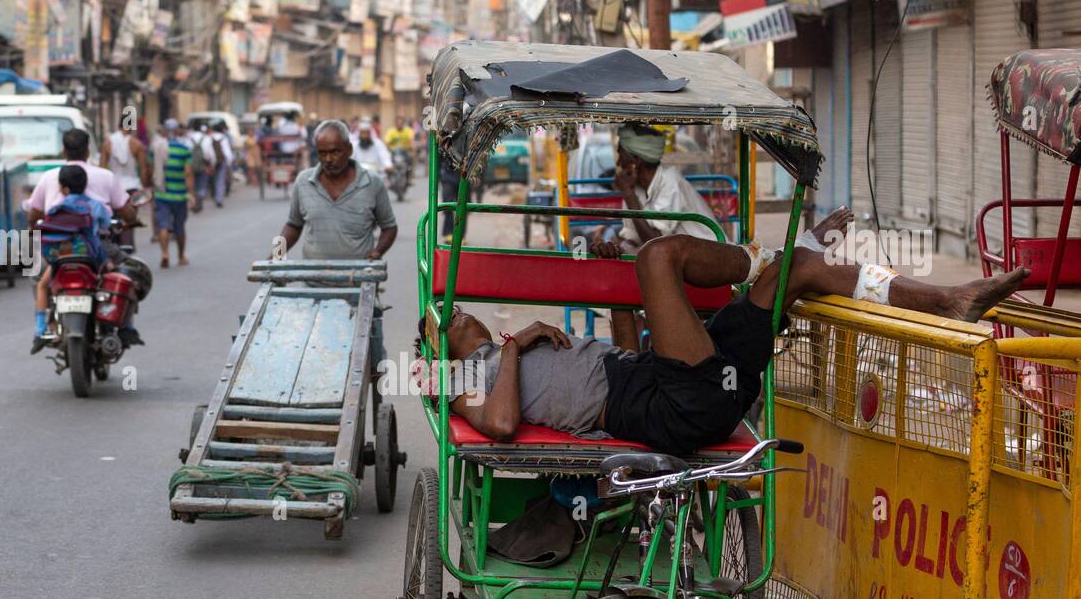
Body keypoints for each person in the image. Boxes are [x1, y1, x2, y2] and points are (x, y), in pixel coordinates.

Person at [428, 208, 1031, 455]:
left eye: (457, 309)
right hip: (677, 403)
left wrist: (617, 287)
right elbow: (502, 426)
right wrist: (514, 344)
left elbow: (624, 351)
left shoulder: (507, 355)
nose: (462, 313)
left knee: (798, 268)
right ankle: (763, 256)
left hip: (691, 380)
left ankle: (948, 301)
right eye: (450, 319)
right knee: (659, 257)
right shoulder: (468, 381)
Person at [26, 129, 135, 350]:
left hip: (58, 254)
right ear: (88, 150)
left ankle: (41, 328)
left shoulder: (51, 184)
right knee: (126, 273)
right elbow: (121, 215)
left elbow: (34, 214)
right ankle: (126, 328)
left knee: (39, 281)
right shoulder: (104, 180)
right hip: (93, 252)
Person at [274, 118, 397, 261]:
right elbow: (292, 225)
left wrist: (377, 252)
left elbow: (389, 227)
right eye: (322, 153)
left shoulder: (372, 182)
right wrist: (276, 256)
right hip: (312, 279)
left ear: (349, 150)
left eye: (335, 152)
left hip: (359, 280)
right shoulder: (303, 182)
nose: (328, 159)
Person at [608, 124, 717, 246]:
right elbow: (633, 237)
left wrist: (629, 195)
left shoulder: (670, 181)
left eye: (621, 157)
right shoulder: (634, 188)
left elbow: (655, 242)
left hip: (707, 257)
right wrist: (617, 244)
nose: (618, 163)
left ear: (635, 162)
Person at [151, 118, 194, 269]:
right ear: (177, 131)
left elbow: (152, 170)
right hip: (180, 195)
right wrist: (191, 193)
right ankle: (181, 256)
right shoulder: (184, 149)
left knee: (163, 225)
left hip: (161, 194)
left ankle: (165, 254)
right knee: (179, 226)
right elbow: (188, 174)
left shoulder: (156, 148)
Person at [101, 112, 148, 192]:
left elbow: (102, 167)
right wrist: (143, 187)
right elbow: (143, 169)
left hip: (114, 187)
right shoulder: (137, 144)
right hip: (133, 187)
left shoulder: (108, 143)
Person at [210, 120, 234, 208]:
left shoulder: (209, 137)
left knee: (213, 180)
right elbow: (227, 152)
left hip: (211, 162)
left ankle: (214, 195)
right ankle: (219, 199)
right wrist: (229, 163)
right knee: (220, 180)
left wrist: (211, 162)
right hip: (221, 162)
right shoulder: (223, 138)